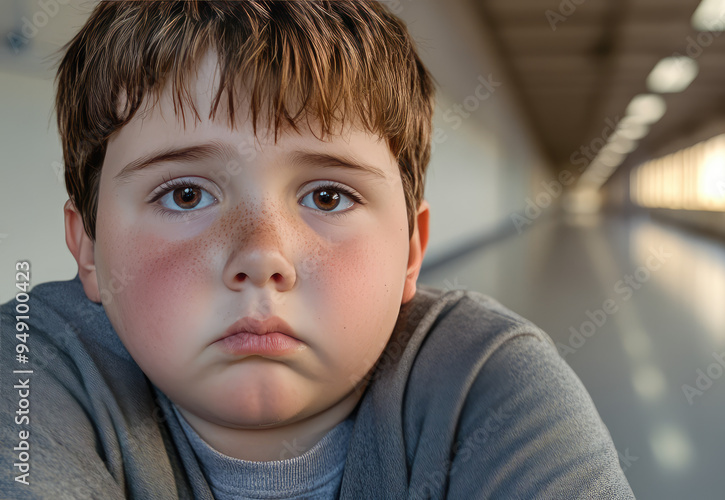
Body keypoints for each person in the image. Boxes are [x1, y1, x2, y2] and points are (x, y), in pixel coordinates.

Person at [1, 1, 635, 498]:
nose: (261, 256)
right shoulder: (29, 361)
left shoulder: (486, 380)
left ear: (411, 250)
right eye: (186, 195)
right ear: (87, 247)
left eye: (328, 197)